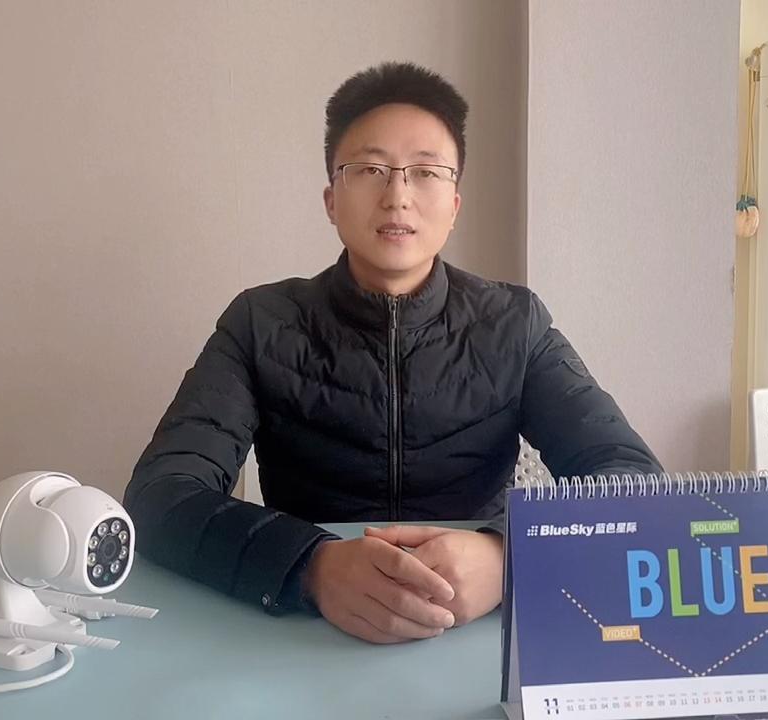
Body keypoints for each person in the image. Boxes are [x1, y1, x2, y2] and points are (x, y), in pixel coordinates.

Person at [124, 61, 661, 644]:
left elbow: (633, 481)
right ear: (332, 199)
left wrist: (508, 556)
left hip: (474, 626)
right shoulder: (261, 323)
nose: (398, 195)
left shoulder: (514, 323)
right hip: (307, 626)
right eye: (370, 169)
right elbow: (160, 496)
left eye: (425, 172)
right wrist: (310, 565)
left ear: (454, 204)